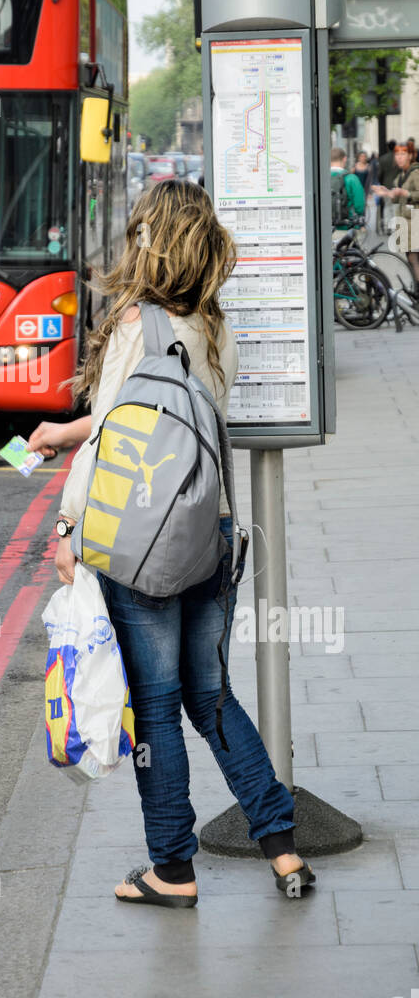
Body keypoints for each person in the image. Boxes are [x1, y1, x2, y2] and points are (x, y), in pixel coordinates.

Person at [44, 181, 313, 907]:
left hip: (143, 539)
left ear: (153, 243)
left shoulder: (140, 324)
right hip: (211, 530)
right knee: (213, 696)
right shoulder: (216, 327)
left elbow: (110, 440)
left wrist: (68, 528)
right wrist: (68, 430)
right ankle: (283, 850)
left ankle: (173, 869)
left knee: (156, 708)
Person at [372, 141, 419, 288]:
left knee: (413, 259)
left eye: (403, 154)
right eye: (397, 154)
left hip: (415, 222)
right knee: (410, 258)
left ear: (411, 155)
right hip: (407, 224)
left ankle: (417, 292)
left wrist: (405, 192)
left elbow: (411, 194)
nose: (399, 157)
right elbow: (398, 197)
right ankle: (416, 290)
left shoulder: (416, 172)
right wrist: (386, 192)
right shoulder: (402, 175)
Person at [331, 147, 365, 237]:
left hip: (326, 230)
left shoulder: (321, 179)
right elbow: (359, 205)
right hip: (347, 229)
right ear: (345, 159)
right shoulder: (352, 178)